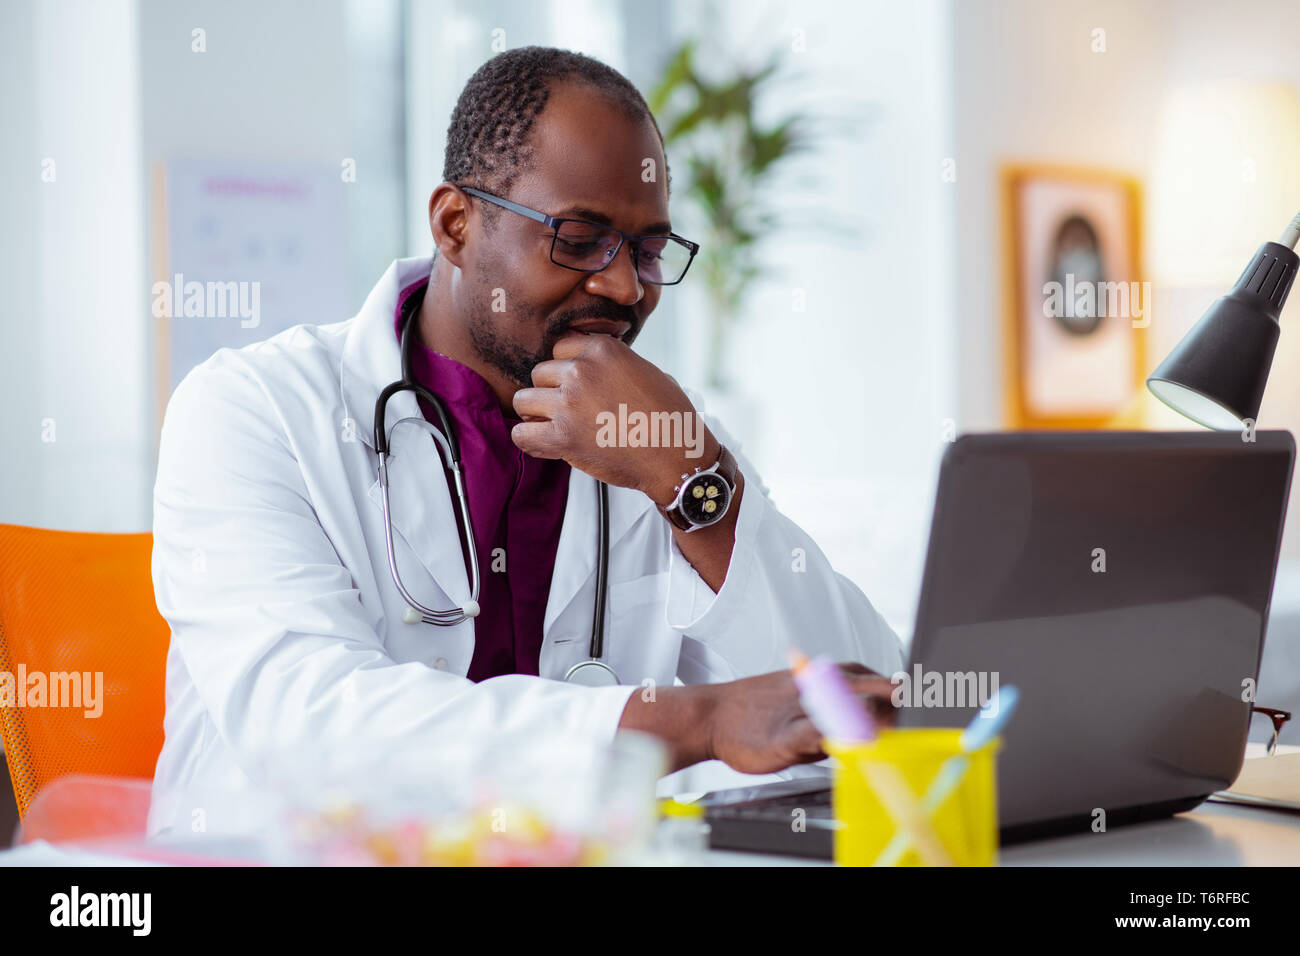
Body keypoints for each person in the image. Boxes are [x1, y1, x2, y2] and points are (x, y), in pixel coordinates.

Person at [149, 46, 901, 835]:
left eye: (647, 251)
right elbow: (307, 727)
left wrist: (694, 480)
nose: (622, 287)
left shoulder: (660, 431)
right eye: (578, 238)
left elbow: (862, 701)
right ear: (455, 223)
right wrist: (691, 722)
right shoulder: (254, 411)